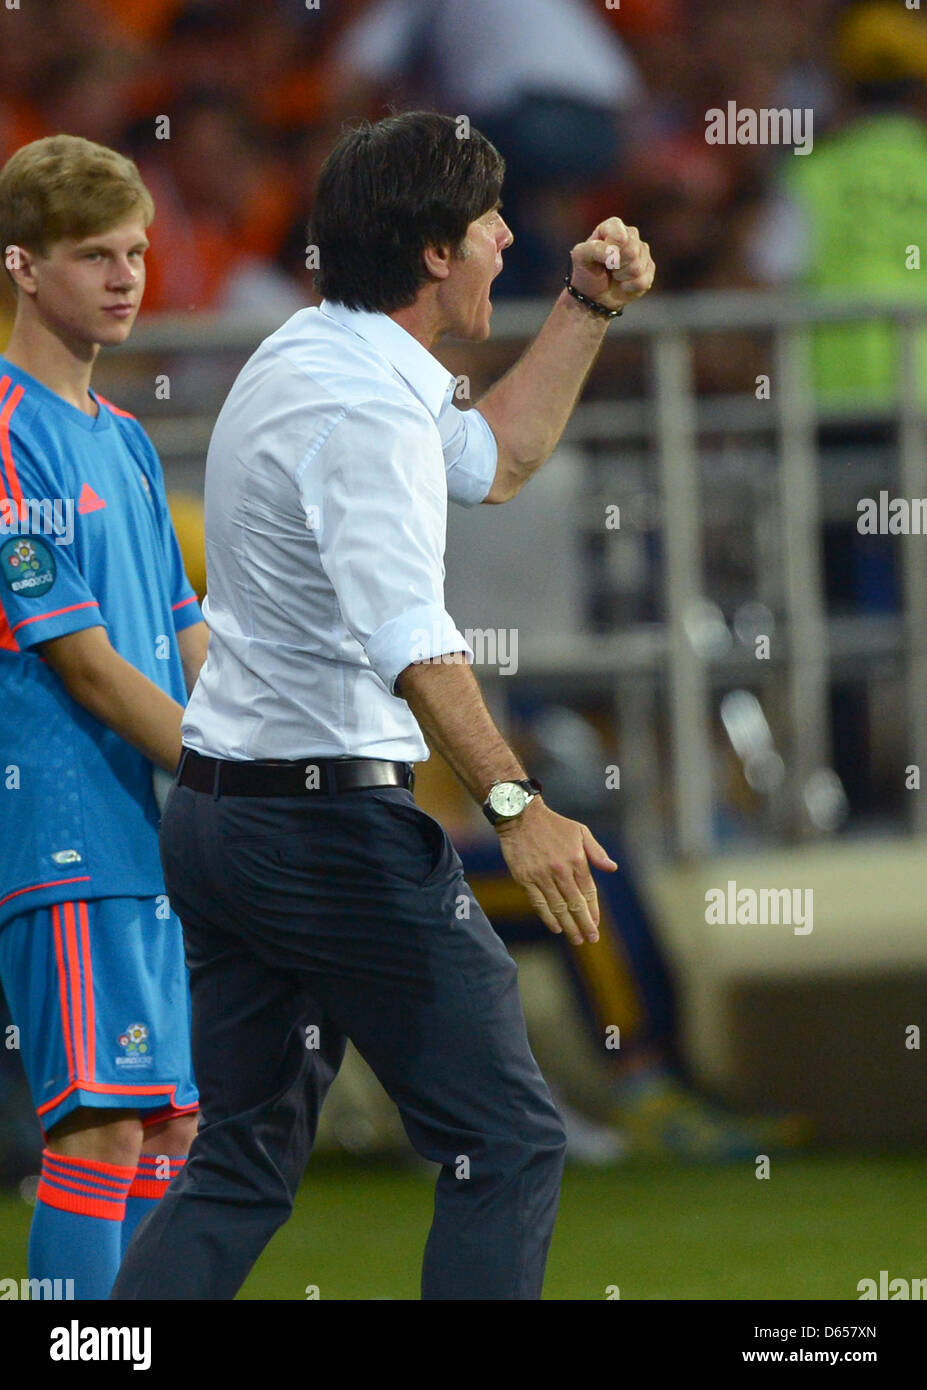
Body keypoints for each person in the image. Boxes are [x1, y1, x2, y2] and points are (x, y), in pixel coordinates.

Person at [111, 110, 654, 1302]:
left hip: (223, 813)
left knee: (239, 1165)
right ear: (431, 255)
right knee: (506, 1140)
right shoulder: (363, 410)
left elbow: (494, 461)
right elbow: (409, 633)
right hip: (323, 828)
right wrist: (519, 803)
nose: (510, 238)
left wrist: (587, 309)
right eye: (488, 224)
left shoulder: (314, 355)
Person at [0, 134, 209, 1298]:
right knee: (97, 1129)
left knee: (169, 1133)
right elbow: (83, 665)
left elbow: (185, 639)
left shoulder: (125, 442)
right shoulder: (4, 429)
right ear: (23, 267)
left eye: (137, 252)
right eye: (96, 256)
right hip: (64, 828)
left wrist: (291, 731)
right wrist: (235, 771)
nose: (128, 277)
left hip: (153, 834)